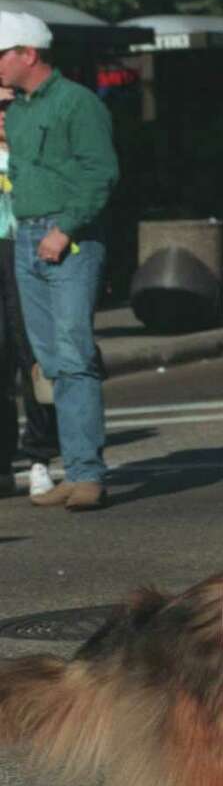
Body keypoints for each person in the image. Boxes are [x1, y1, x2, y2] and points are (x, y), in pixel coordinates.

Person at [0, 13, 115, 511]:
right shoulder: (20, 111)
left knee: (73, 354)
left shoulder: (78, 103)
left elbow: (101, 173)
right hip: (25, 236)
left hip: (66, 238)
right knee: (49, 360)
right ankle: (73, 467)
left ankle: (87, 473)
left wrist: (65, 228)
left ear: (28, 53)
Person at [0, 94, 59, 500]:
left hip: (25, 253)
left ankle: (39, 458)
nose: (2, 116)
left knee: (33, 356)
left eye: (7, 106)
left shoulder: (37, 152)